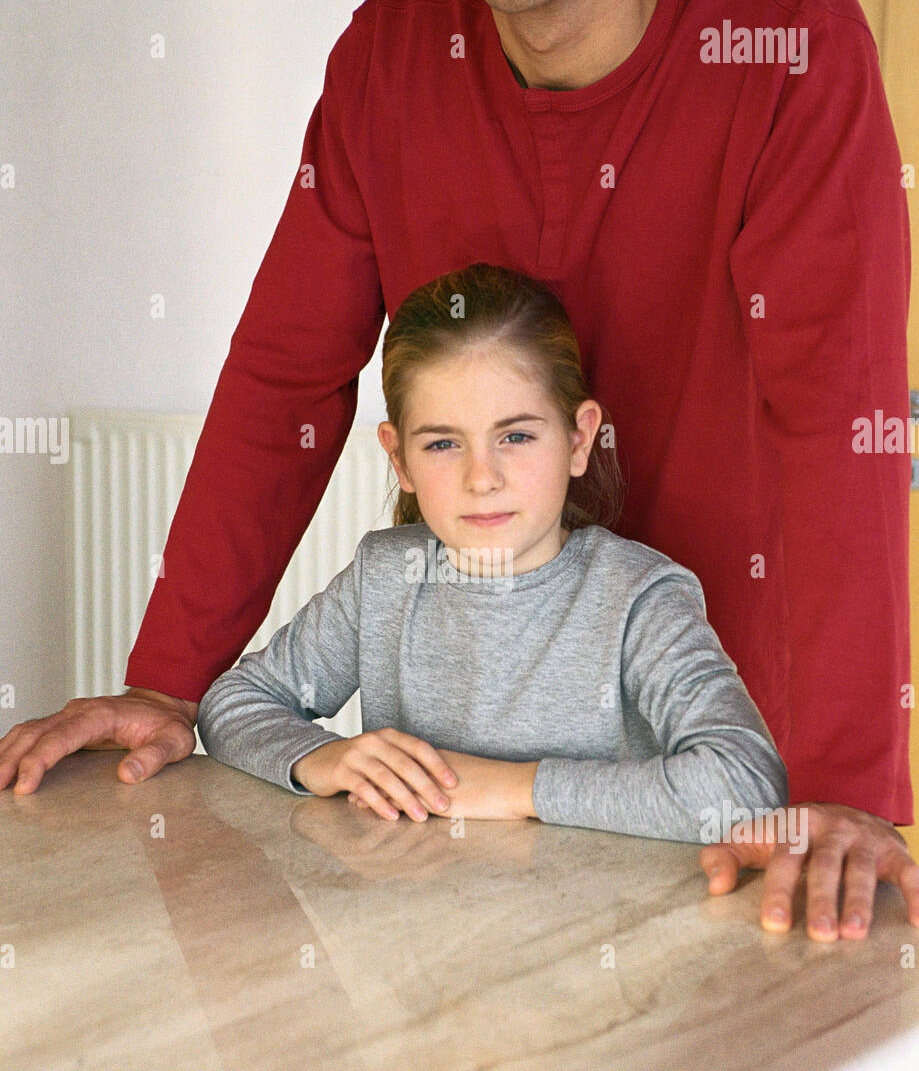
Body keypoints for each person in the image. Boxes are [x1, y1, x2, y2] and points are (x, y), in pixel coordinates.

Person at [2, 0, 917, 934]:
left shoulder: (785, 39)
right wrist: (169, 683)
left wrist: (844, 786)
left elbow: (841, 418)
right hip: (450, 856)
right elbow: (284, 378)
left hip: (719, 778)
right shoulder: (391, 54)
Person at [196, 262, 788, 841]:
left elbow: (747, 783)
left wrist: (509, 790)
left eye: (516, 436)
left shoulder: (639, 597)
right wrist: (322, 758)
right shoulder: (383, 580)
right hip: (412, 919)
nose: (483, 477)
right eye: (444, 443)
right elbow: (233, 702)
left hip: (593, 922)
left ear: (578, 440)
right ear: (399, 458)